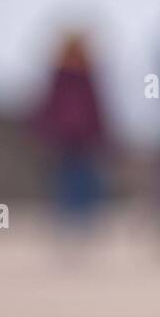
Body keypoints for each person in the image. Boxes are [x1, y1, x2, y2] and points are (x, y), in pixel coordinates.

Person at [32, 32, 108, 224]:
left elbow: (50, 104)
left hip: (70, 135)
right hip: (76, 135)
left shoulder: (64, 76)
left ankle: (73, 214)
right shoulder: (79, 76)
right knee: (76, 174)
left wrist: (45, 127)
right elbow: (95, 107)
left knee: (72, 174)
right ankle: (75, 215)